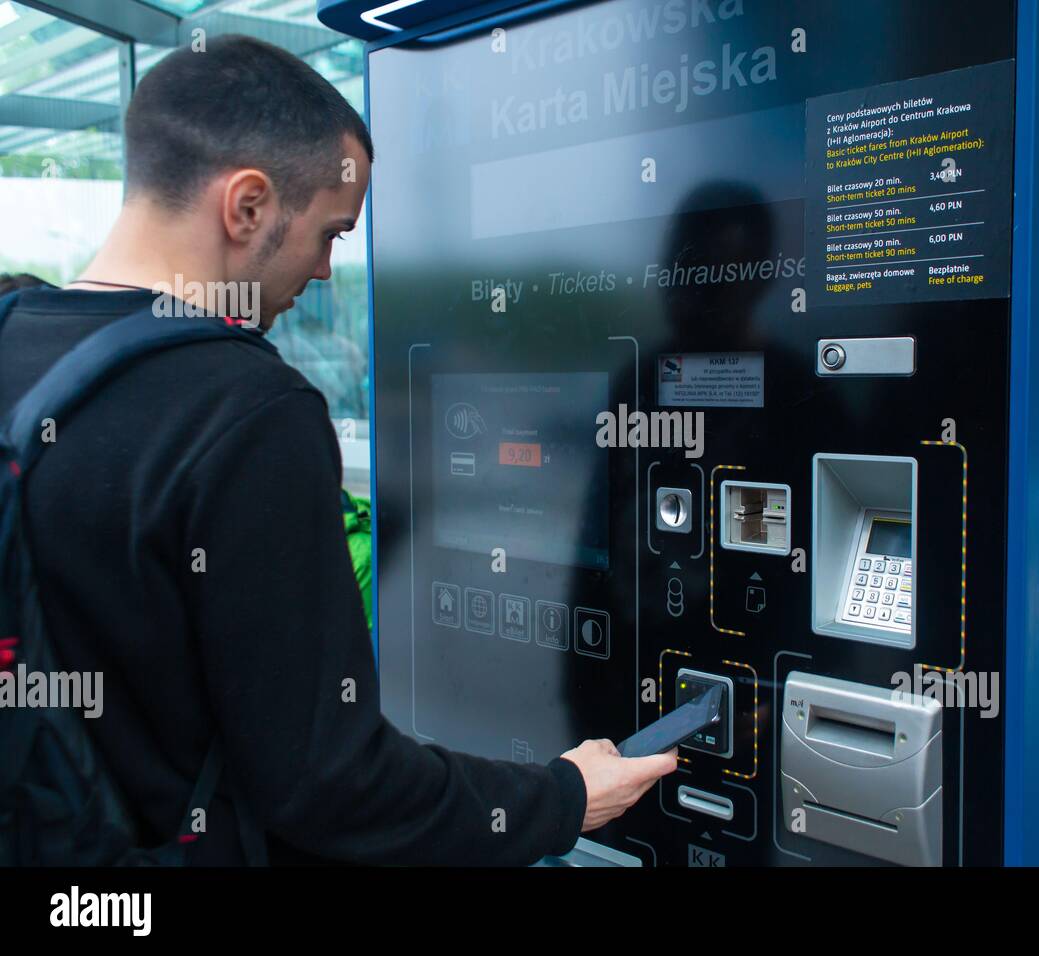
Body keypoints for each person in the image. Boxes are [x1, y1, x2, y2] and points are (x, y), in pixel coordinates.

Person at [0, 35, 674, 865]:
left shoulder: (12, 341)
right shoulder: (246, 407)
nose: (324, 271)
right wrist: (563, 797)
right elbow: (329, 784)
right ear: (246, 206)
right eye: (329, 232)